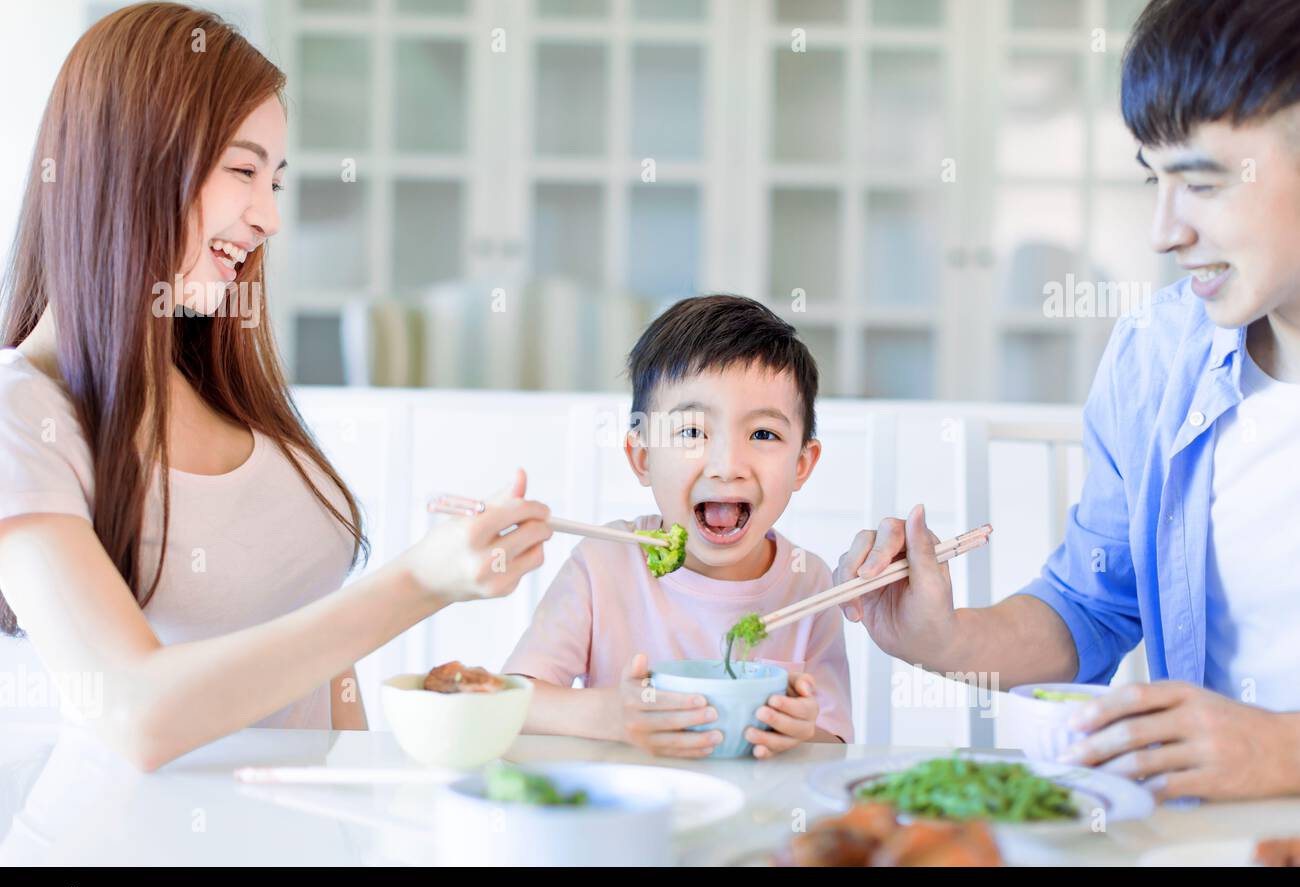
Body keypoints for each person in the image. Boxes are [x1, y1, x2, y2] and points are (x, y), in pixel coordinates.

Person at [0, 4, 550, 770]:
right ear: (134, 161)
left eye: (277, 181)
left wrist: (357, 805)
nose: (269, 217)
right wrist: (423, 579)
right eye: (244, 171)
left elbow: (318, 658)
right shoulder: (20, 413)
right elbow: (133, 711)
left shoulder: (211, 381)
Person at [832, 0, 1300, 800]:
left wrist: (1282, 752)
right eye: (1153, 178)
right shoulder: (1156, 362)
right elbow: (1091, 607)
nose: (1164, 231)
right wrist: (947, 637)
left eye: (1201, 181)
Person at [506, 295, 852, 757]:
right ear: (643, 456)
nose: (727, 466)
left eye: (763, 435)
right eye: (692, 432)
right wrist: (610, 714)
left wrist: (801, 732)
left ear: (802, 464)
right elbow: (510, 703)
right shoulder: (602, 562)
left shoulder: (809, 582)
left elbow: (834, 740)